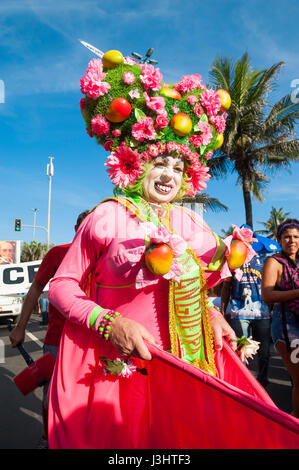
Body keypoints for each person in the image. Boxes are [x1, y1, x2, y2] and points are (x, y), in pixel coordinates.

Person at [47, 51, 299, 449]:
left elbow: (200, 286)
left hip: (185, 366)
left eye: (179, 168)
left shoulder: (191, 223)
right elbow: (61, 287)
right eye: (161, 163)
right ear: (138, 163)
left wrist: (211, 316)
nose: (169, 175)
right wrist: (109, 323)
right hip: (121, 365)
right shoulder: (109, 216)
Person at [9, 210, 89, 448]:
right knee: (52, 397)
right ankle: (48, 438)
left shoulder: (105, 256)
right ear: (76, 229)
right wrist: (20, 328)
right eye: (84, 227)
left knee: (88, 398)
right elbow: (35, 290)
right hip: (57, 340)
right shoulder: (57, 254)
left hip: (92, 343)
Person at [262, 218, 299, 417]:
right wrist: (297, 292)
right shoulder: (274, 262)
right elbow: (267, 296)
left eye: (295, 237)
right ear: (279, 240)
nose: (291, 240)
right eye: (287, 237)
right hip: (288, 329)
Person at [221, 250, 271, 388]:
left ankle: (262, 381)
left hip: (262, 315)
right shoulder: (232, 261)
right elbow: (226, 287)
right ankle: (243, 383)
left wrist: (270, 308)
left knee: (264, 351)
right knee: (240, 350)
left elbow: (271, 286)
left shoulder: (264, 261)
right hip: (239, 315)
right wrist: (223, 311)